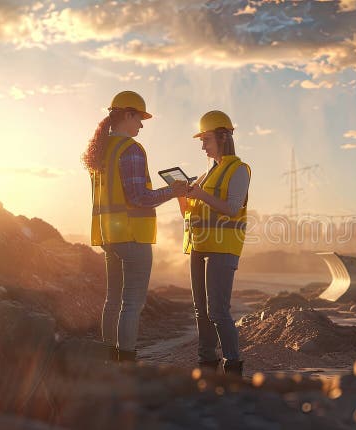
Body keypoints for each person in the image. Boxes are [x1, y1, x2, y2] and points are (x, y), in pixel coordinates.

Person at [82, 90, 187, 362]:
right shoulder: (131, 150)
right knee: (132, 304)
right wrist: (174, 191)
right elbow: (139, 197)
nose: (141, 125)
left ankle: (107, 360)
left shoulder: (102, 153)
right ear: (127, 115)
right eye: (139, 118)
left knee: (112, 301)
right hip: (133, 237)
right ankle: (126, 363)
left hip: (109, 236)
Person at [179, 110, 251, 377]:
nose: (202, 145)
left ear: (222, 137)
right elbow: (190, 212)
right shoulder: (206, 174)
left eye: (206, 139)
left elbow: (232, 208)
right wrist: (182, 195)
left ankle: (232, 367)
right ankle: (207, 365)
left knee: (218, 311)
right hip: (199, 246)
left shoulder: (239, 170)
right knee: (201, 311)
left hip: (223, 247)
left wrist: (200, 193)